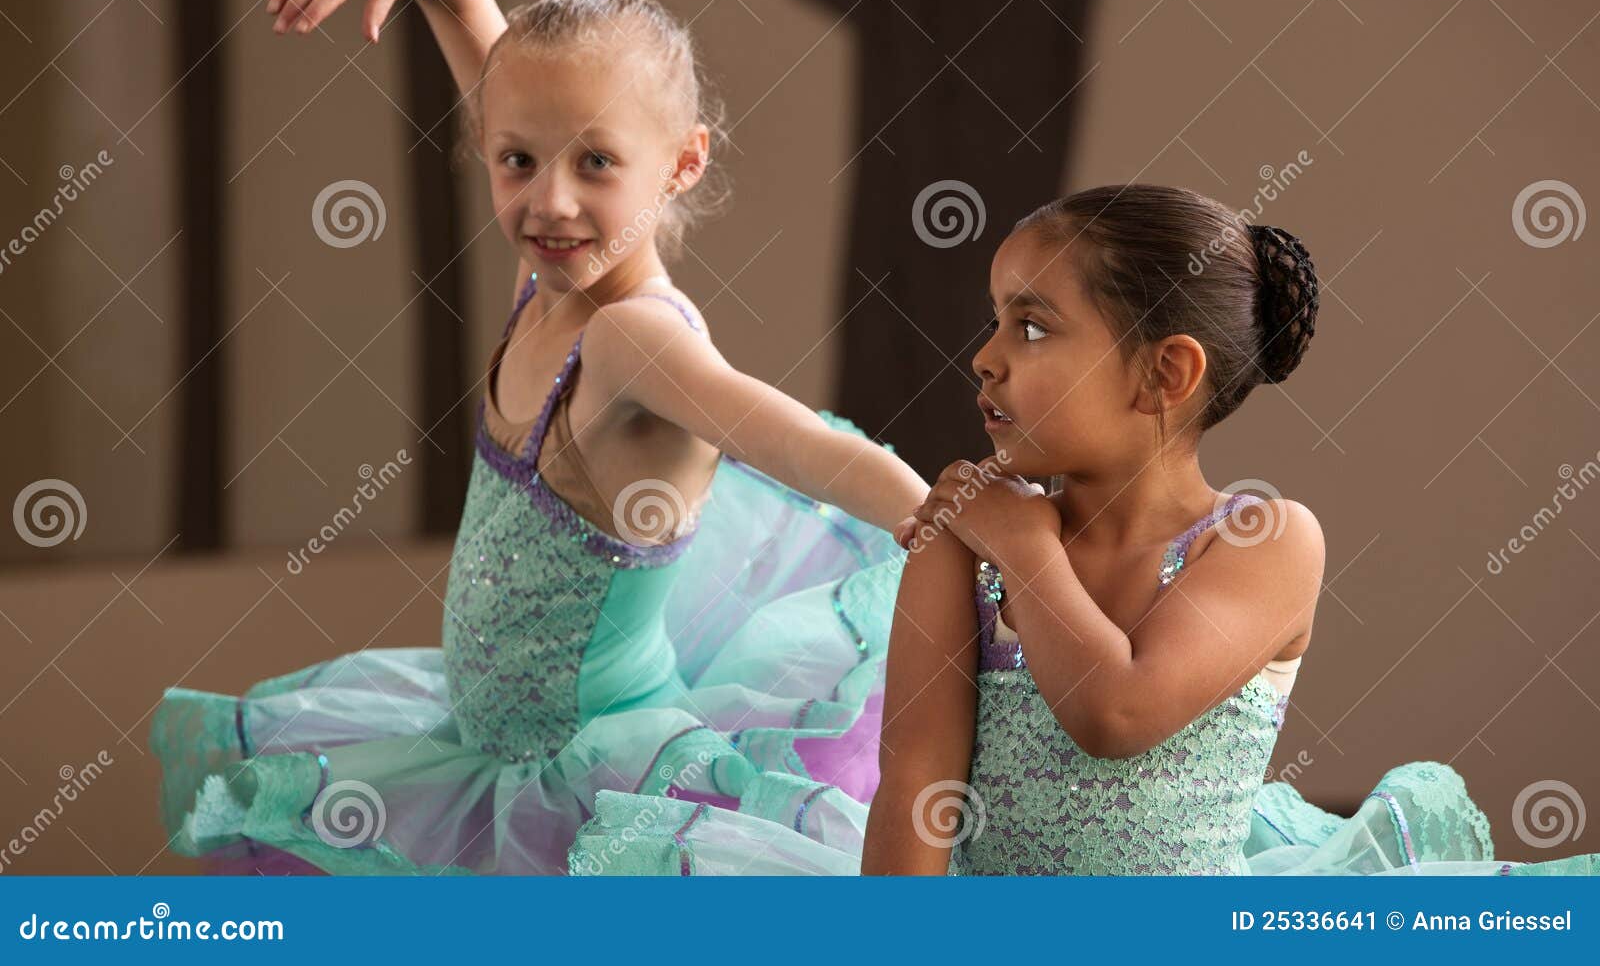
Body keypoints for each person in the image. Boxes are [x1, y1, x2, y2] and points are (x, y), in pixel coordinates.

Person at [148, 0, 927, 875]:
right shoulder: (548, 282)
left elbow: (808, 449)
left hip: (586, 783)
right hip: (473, 747)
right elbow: (467, 12)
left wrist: (971, 538)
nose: (548, 199)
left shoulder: (632, 340)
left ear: (682, 162)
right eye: (517, 159)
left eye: (597, 162)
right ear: (487, 144)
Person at [570, 185, 1600, 876]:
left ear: (1166, 373)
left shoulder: (1262, 539)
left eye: (1030, 324)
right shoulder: (955, 541)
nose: (983, 356)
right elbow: (918, 774)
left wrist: (1023, 546)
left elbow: (1117, 709)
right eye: (991, 320)